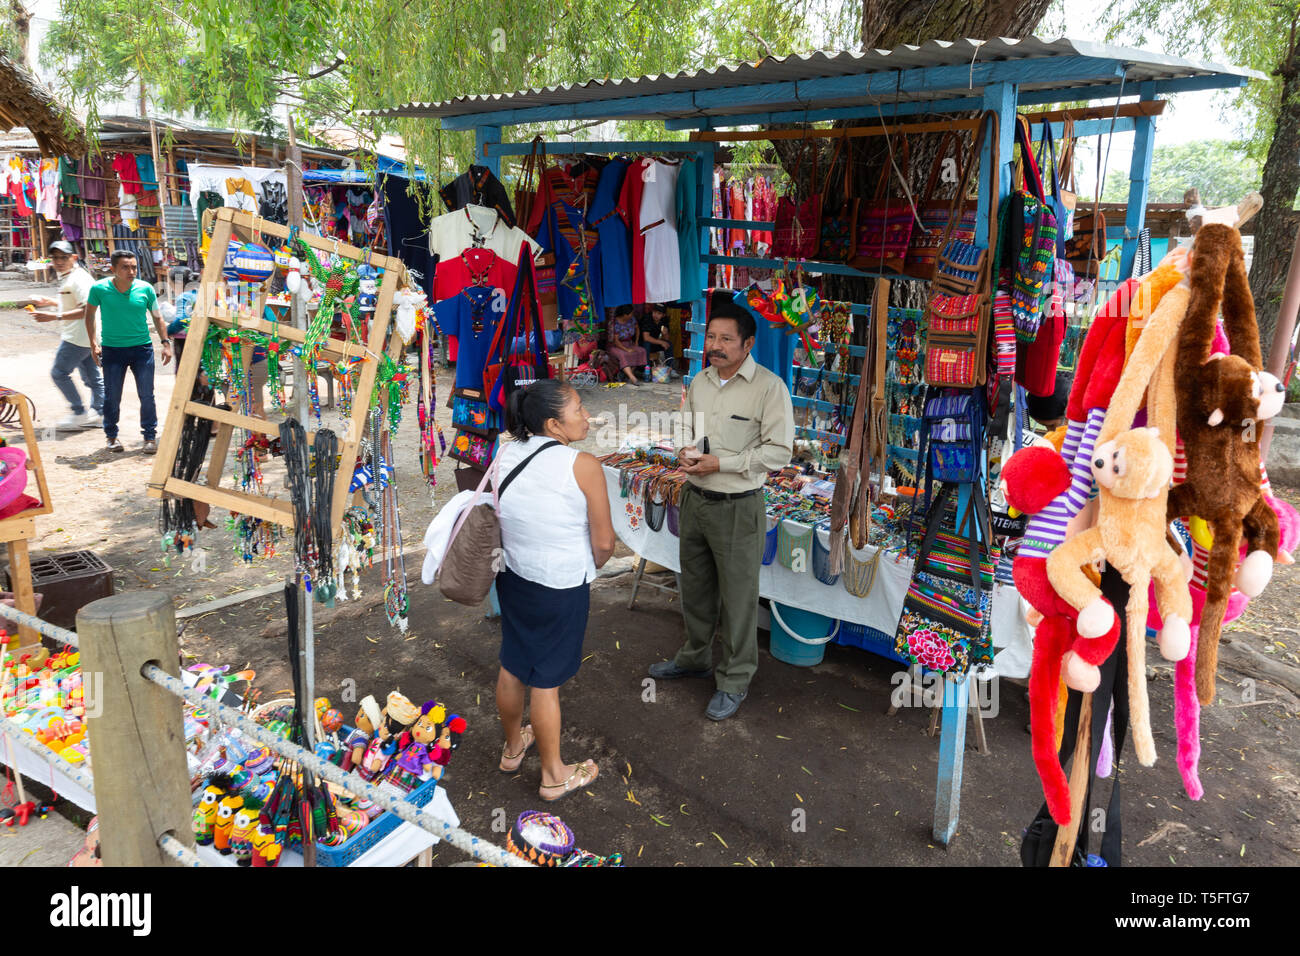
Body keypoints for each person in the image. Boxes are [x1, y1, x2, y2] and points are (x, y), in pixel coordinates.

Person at [649, 306, 794, 720]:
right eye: (711, 337)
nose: (714, 346)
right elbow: (685, 427)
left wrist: (722, 464)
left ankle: (734, 678)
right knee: (694, 587)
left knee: (738, 599)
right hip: (695, 499)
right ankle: (695, 656)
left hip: (737, 507)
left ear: (748, 344)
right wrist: (683, 450)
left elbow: (779, 452)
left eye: (725, 339)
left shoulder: (769, 388)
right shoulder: (701, 381)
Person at [494, 378, 616, 800]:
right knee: (546, 680)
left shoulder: (505, 451)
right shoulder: (582, 465)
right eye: (578, 409)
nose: (587, 416)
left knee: (513, 661)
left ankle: (513, 749)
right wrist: (589, 566)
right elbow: (604, 544)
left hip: (512, 576)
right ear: (553, 423)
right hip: (559, 585)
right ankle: (553, 775)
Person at [84, 250, 173, 454]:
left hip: (142, 349)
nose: (131, 271)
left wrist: (165, 343)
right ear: (113, 269)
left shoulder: (146, 289)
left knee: (147, 395)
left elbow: (158, 317)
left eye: (134, 267)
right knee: (112, 396)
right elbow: (89, 315)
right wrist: (93, 343)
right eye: (125, 267)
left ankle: (149, 437)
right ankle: (112, 436)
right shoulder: (99, 289)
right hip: (112, 350)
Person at [26, 241, 102, 430]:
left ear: (74, 258)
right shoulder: (70, 276)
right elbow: (73, 303)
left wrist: (53, 316)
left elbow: (87, 309)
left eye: (64, 257)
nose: (59, 261)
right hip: (85, 336)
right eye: (55, 257)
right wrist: (49, 302)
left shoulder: (79, 279)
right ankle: (100, 412)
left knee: (59, 373)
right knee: (92, 377)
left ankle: (78, 413)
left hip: (78, 336)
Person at [607, 304, 648, 385]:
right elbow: (616, 341)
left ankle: (629, 374)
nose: (632, 315)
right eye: (631, 313)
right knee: (624, 355)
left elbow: (637, 329)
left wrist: (636, 342)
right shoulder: (615, 322)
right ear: (625, 315)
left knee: (641, 351)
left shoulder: (632, 319)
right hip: (615, 346)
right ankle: (632, 378)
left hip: (629, 344)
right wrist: (626, 350)